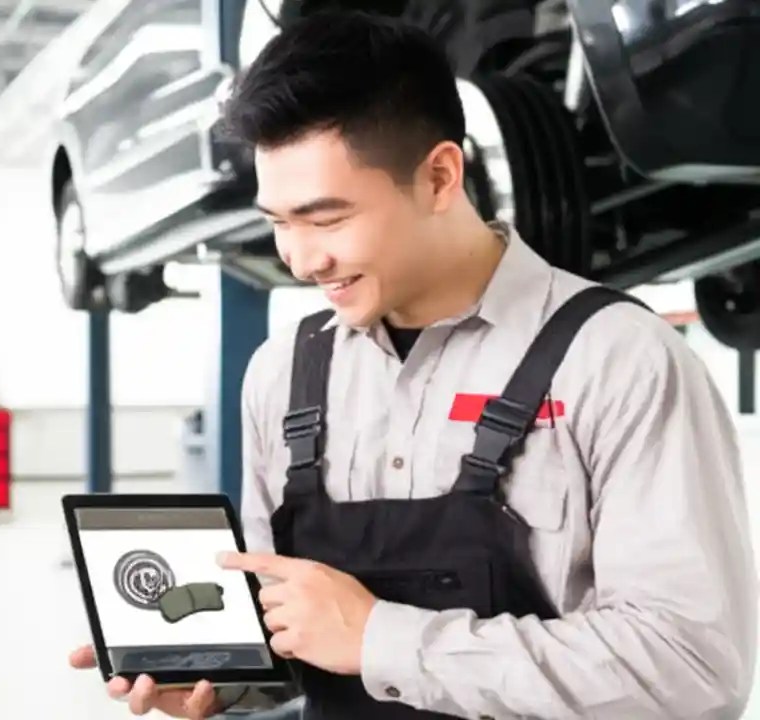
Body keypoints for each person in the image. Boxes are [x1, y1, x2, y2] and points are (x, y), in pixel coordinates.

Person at [72, 9, 758, 719]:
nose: (302, 260)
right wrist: (231, 677)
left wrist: (383, 639)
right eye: (278, 222)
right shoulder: (281, 375)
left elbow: (692, 671)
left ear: (438, 176)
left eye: (327, 218)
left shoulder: (617, 362)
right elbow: (298, 636)